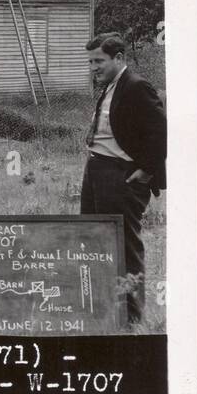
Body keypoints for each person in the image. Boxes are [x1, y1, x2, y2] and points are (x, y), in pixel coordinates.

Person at [79, 33, 166, 326]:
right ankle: (103, 308)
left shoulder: (137, 86)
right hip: (96, 170)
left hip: (121, 176)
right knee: (93, 238)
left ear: (119, 58)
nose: (94, 67)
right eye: (90, 61)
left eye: (99, 61)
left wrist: (147, 171)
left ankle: (131, 318)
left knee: (124, 243)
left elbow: (160, 132)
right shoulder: (109, 85)